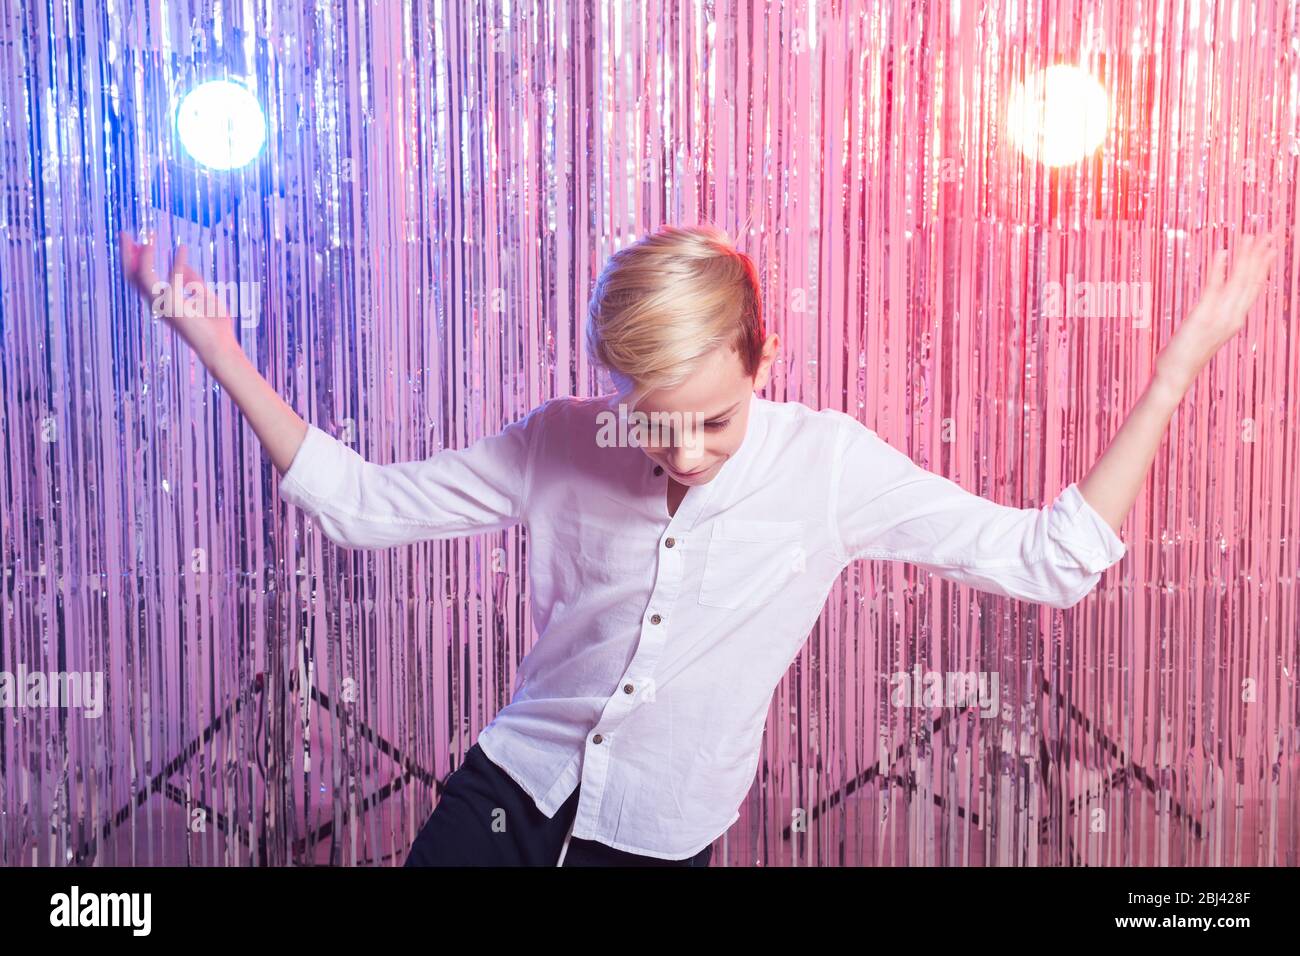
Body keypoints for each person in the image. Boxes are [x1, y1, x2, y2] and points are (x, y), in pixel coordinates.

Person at [119, 222, 1277, 866]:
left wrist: (1173, 371)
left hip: (660, 838)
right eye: (654, 421)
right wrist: (216, 348)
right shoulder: (562, 441)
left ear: (764, 361)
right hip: (504, 800)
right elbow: (362, 504)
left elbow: (1051, 558)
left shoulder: (831, 464)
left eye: (714, 419)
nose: (683, 454)